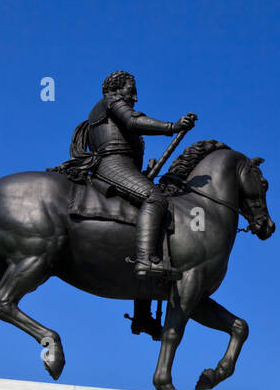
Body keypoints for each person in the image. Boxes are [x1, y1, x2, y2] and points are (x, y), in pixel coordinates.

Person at [82, 70, 196, 283]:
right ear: (116, 89)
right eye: (131, 91)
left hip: (122, 166)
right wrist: (172, 127)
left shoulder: (110, 106)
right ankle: (145, 260)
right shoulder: (111, 99)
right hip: (112, 165)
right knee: (154, 198)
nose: (135, 98)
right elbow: (133, 122)